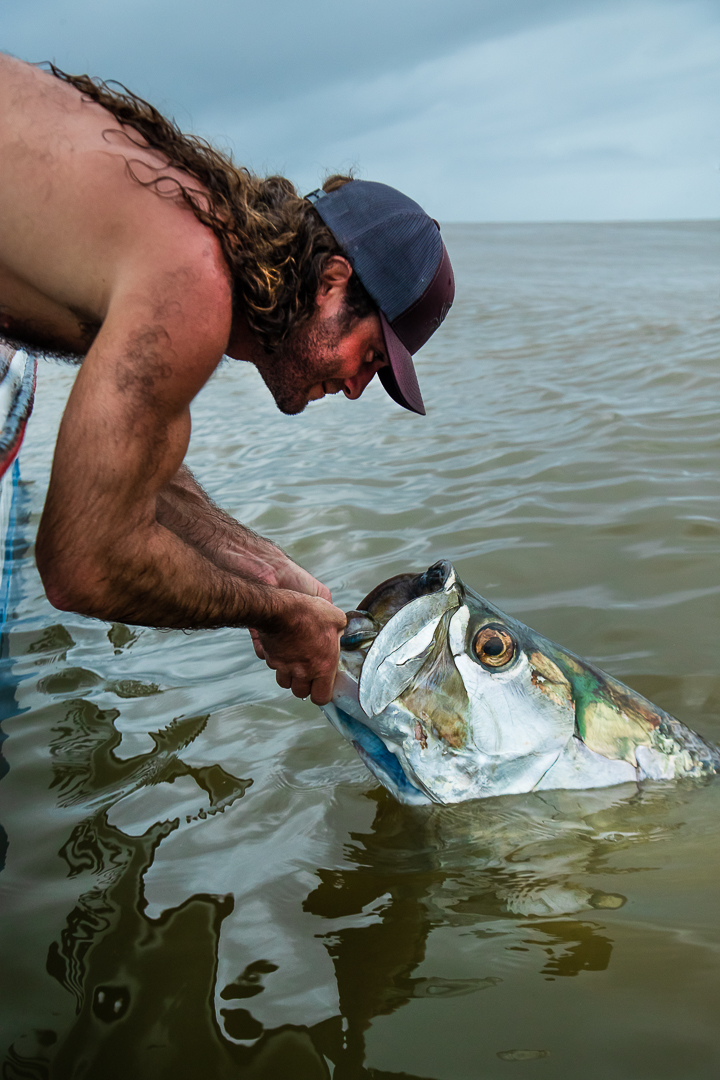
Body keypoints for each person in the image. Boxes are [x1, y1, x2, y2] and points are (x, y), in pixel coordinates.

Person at [0, 54, 454, 706]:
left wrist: (264, 569)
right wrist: (278, 616)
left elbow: (142, 471)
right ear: (332, 281)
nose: (357, 388)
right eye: (371, 357)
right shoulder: (195, 282)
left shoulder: (192, 245)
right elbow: (80, 563)